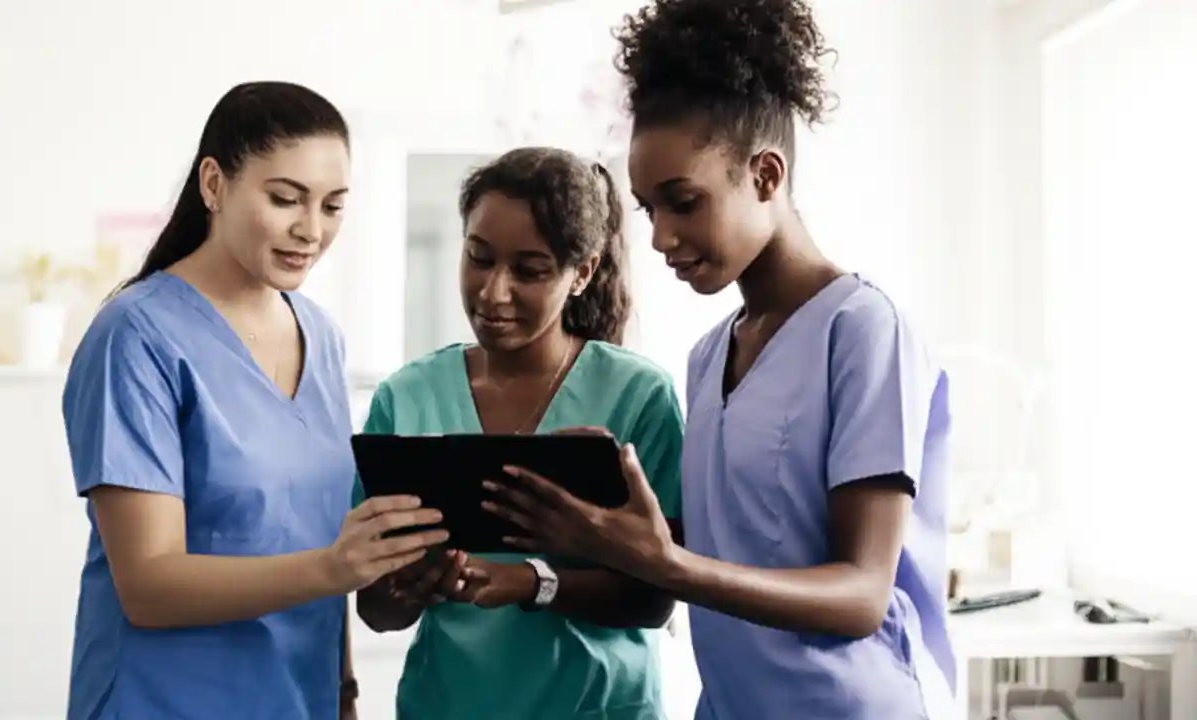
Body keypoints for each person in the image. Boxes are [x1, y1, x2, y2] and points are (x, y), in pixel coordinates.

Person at [481, 2, 958, 719]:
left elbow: (861, 596)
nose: (662, 236)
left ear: (765, 174)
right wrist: (598, 517)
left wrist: (662, 560)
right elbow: (737, 546)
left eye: (683, 202)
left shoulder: (862, 331)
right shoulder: (710, 356)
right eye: (648, 210)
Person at [60, 81, 448, 720]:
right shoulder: (136, 337)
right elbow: (149, 587)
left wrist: (344, 691)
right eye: (285, 199)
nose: (311, 229)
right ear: (213, 185)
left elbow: (322, 536)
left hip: (298, 699)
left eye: (333, 206)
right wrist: (335, 567)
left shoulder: (319, 335)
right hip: (164, 701)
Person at [353, 147, 684, 720]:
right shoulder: (405, 399)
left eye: (529, 271)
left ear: (581, 274)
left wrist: (533, 582)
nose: (493, 292)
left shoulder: (638, 397)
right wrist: (414, 583)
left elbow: (656, 598)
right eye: (479, 258)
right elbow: (376, 611)